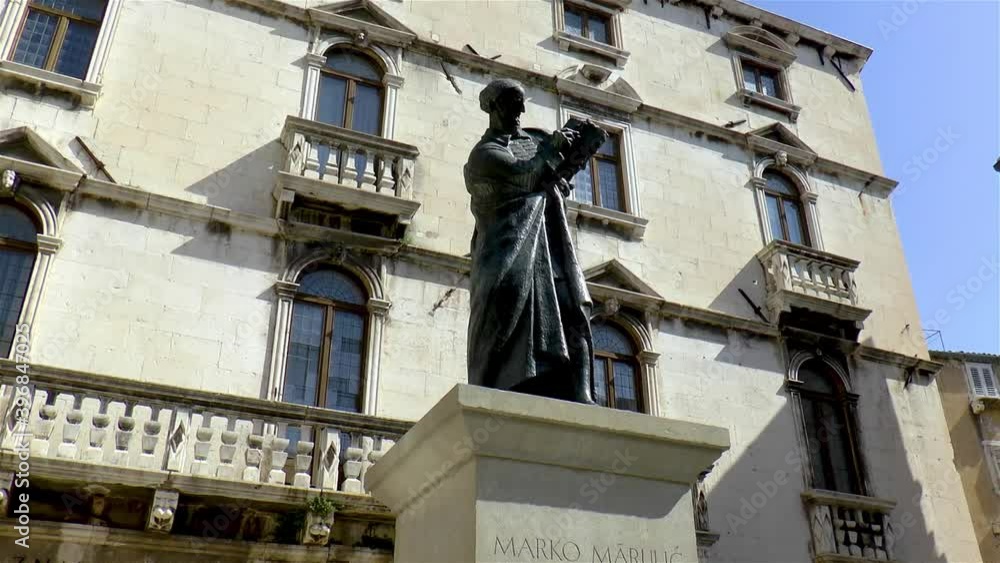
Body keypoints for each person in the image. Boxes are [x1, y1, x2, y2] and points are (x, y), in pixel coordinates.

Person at [463, 78, 598, 404]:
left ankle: (580, 394)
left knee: (572, 310)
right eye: (514, 102)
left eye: (523, 102)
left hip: (549, 243)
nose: (522, 110)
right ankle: (492, 391)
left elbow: (542, 180)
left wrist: (561, 171)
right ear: (494, 107)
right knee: (504, 316)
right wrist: (552, 152)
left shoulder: (531, 141)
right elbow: (524, 175)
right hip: (509, 249)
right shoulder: (484, 154)